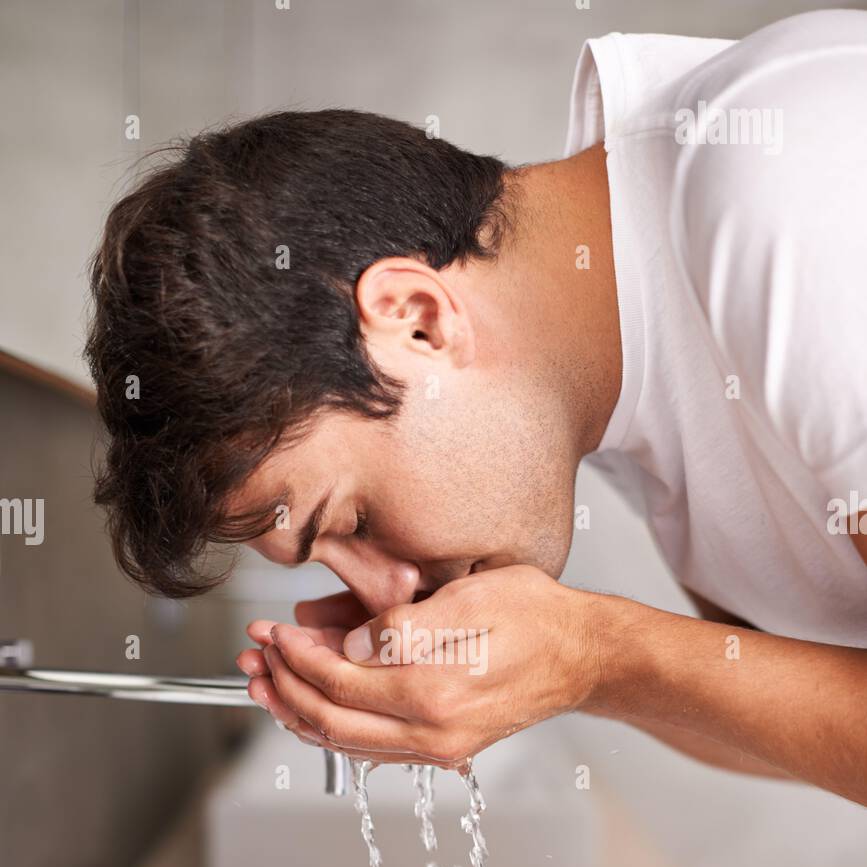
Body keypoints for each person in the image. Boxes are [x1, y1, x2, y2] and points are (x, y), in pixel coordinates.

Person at [85, 9, 867, 805]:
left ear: (416, 319)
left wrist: (595, 652)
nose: (390, 595)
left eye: (353, 522)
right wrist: (551, 672)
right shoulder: (619, 373)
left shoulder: (787, 188)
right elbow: (795, 722)